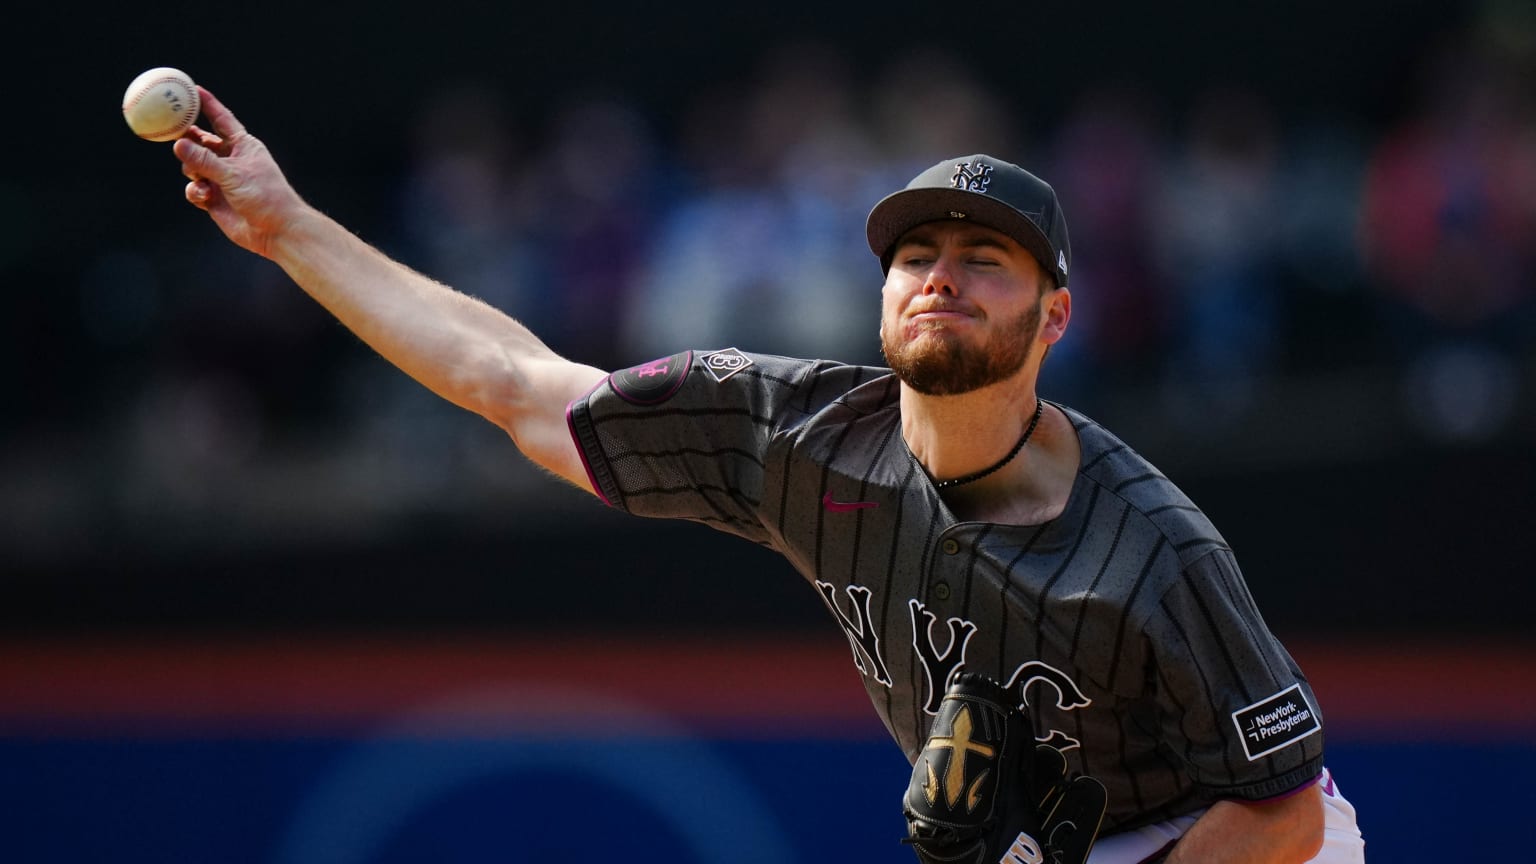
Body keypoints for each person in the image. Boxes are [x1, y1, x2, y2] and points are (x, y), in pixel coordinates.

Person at [172, 86, 1365, 863]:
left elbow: (1283, 806)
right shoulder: (794, 435)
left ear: (1055, 315)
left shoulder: (1150, 544)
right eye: (917, 254)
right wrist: (285, 227)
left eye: (986, 260)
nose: (941, 275)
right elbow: (514, 383)